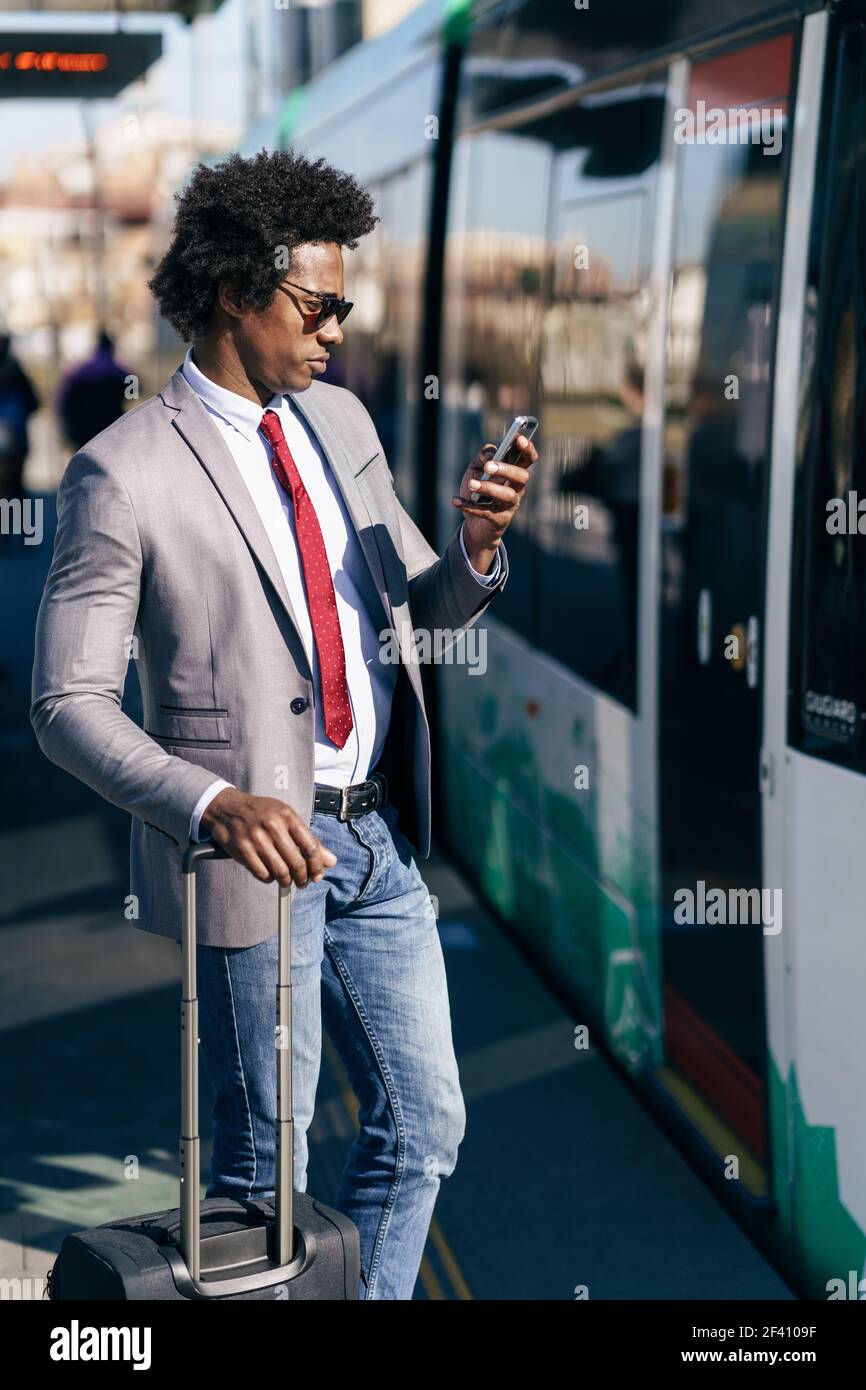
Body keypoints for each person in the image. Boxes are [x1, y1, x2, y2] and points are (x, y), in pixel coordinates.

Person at [30, 149, 537, 1300]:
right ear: (231, 293)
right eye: (318, 306)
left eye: (342, 307)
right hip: (256, 857)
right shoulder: (122, 473)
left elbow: (418, 604)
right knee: (265, 1168)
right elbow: (64, 704)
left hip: (377, 844)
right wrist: (213, 804)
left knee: (426, 1127)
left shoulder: (341, 419)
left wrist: (476, 542)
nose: (336, 332)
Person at [55, 329, 131, 450]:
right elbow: (136, 392)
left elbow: (64, 402)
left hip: (82, 431)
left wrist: (66, 430)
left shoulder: (78, 372)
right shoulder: (119, 372)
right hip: (109, 429)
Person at [0, 333, 39, 503]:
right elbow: (34, 403)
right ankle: (17, 523)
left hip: (14, 438)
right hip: (17, 438)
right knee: (15, 485)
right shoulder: (17, 373)